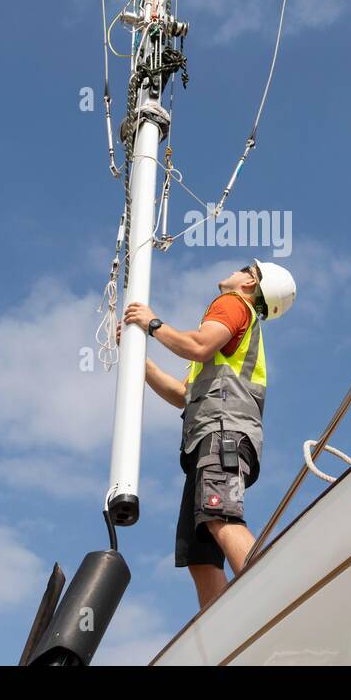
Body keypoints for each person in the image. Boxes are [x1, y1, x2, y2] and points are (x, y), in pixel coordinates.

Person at [122, 258, 296, 609]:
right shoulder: (234, 322)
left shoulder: (232, 304)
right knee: (199, 555)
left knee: (220, 515)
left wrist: (153, 324)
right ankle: (225, 632)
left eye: (245, 268)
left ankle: (278, 602)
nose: (236, 270)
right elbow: (181, 394)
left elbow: (199, 345)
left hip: (223, 432)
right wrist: (139, 360)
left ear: (250, 283)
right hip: (209, 438)